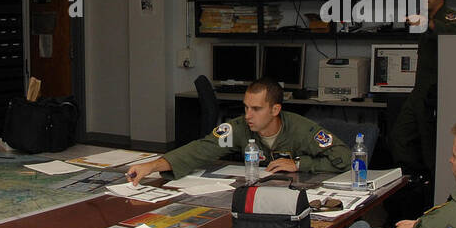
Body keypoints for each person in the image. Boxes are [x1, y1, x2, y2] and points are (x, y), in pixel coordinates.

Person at [127, 77, 351, 182]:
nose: (248, 115)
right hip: (255, 192)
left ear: (275, 109)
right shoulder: (239, 128)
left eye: (256, 109)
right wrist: (152, 165)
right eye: (246, 108)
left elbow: (347, 159)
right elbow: (200, 149)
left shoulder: (303, 130)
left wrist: (301, 164)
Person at [389, 0, 456, 177]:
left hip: (435, 93)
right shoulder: (424, 19)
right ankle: (413, 180)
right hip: (419, 91)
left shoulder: (449, 16)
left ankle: (432, 187)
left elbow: (454, 35)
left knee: (431, 145)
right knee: (400, 137)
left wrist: (428, 23)